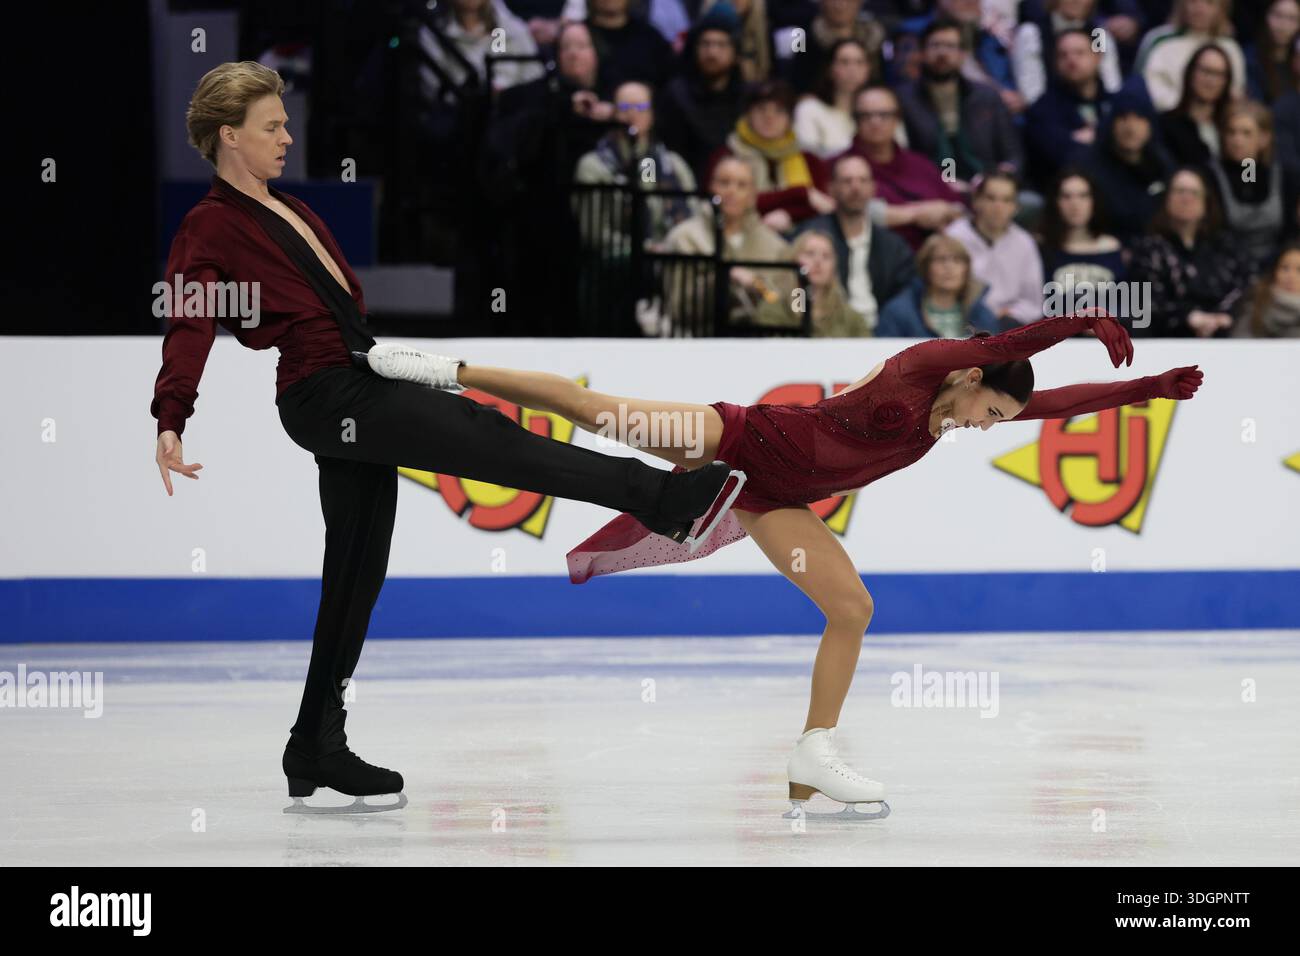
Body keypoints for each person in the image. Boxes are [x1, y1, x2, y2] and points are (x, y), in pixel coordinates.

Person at [153, 61, 741, 813]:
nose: (287, 136)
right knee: (483, 435)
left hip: (354, 380)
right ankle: (660, 496)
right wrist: (172, 416)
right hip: (324, 392)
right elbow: (190, 319)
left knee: (358, 568)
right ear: (228, 136)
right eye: (272, 126)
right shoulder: (210, 226)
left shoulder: (287, 207)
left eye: (285, 123)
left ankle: (314, 741)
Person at [371, 312, 1203, 817]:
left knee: (852, 608)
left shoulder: (953, 414)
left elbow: (1050, 401)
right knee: (592, 412)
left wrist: (1149, 388)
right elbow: (1009, 341)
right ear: (970, 376)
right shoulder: (924, 366)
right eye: (986, 410)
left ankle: (813, 753)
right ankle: (446, 369)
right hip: (737, 438)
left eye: (996, 421)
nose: (985, 426)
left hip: (775, 501)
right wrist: (1080, 321)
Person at [661, 156, 799, 329]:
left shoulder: (776, 246)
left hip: (761, 344)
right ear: (711, 188)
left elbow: (792, 305)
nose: (731, 191)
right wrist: (722, 280)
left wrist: (757, 285)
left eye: (741, 185)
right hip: (698, 341)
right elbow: (676, 307)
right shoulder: (684, 238)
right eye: (724, 183)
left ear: (752, 195)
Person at [896, 17, 1025, 190]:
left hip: (985, 187)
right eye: (935, 45)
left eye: (950, 46)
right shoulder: (903, 99)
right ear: (922, 53)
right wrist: (946, 182)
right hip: (927, 186)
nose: (942, 53)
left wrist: (1004, 173)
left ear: (963, 54)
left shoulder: (986, 97)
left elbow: (1013, 154)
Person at [793, 153, 917, 331]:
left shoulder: (894, 246)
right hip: (830, 332)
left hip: (883, 333)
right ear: (831, 188)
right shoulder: (811, 236)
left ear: (873, 188)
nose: (856, 187)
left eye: (863, 180)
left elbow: (906, 296)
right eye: (847, 181)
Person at [1127, 165, 1253, 335]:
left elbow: (1246, 285)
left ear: (1206, 202)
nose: (1186, 198)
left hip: (1224, 334)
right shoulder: (1148, 249)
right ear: (1167, 199)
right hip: (1166, 338)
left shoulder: (1226, 245)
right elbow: (1145, 300)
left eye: (1194, 193)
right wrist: (1188, 316)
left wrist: (1224, 315)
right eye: (1179, 191)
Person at [840, 84, 966, 249]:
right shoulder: (839, 167)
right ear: (855, 120)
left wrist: (946, 211)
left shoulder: (921, 164)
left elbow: (958, 206)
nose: (875, 122)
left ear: (897, 119)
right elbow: (847, 211)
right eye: (866, 115)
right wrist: (917, 214)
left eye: (884, 115)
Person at [705, 78, 834, 230]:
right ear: (748, 113)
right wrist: (802, 193)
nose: (769, 117)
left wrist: (788, 214)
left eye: (779, 110)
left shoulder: (809, 160)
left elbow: (825, 207)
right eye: (761, 109)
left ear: (790, 118)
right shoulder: (727, 156)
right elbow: (728, 201)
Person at [656, 3, 748, 177]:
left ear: (736, 54)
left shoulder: (747, 97)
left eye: (721, 45)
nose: (712, 53)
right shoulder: (676, 95)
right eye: (705, 44)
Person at [1207, 99, 1299, 270]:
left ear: (1264, 138)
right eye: (1231, 132)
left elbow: (1290, 231)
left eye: (1246, 133)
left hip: (1276, 267)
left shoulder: (1286, 176)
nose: (1237, 140)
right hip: (1225, 266)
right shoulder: (1210, 176)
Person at [945, 172, 1046, 325]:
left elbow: (1033, 302)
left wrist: (1011, 313)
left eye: (1006, 200)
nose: (998, 207)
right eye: (991, 198)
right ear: (976, 201)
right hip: (960, 322)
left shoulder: (1024, 242)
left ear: (1015, 207)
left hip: (1009, 326)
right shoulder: (954, 236)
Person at [1023, 28, 1115, 190]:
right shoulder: (1042, 110)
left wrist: (1091, 138)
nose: (1071, 60)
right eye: (1063, 55)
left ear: (1098, 57)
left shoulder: (1115, 103)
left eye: (1079, 53)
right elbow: (1060, 155)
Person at [1082, 87, 1174, 240]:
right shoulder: (1090, 167)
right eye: (1123, 117)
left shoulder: (1163, 163)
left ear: (1150, 125)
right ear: (1111, 123)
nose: (1131, 127)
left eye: (1139, 118)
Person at [876, 233, 1000, 336]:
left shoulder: (982, 314)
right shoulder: (898, 312)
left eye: (957, 260)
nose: (949, 267)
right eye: (941, 259)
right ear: (925, 267)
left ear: (966, 269)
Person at [1138, 0, 1246, 111]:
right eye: (1193, 1)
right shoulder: (1160, 41)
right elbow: (1145, 88)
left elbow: (1234, 93)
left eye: (1209, 3)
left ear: (1221, 9)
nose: (1199, 8)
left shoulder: (1230, 48)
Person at [1012, 0, 1123, 105]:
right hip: (1049, 116)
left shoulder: (1099, 34)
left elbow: (1112, 86)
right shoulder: (1032, 33)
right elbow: (1032, 94)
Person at [1038, 168, 1127, 288]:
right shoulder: (1040, 247)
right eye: (1066, 196)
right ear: (1055, 202)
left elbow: (1125, 300)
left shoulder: (1111, 247)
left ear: (1094, 201)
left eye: (1083, 196)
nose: (1075, 204)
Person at [1156, 42, 1235, 165]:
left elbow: (1250, 166)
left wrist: (1248, 180)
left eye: (1219, 74)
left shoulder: (1234, 128)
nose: (1211, 80)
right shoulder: (1166, 125)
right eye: (1206, 71)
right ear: (1191, 72)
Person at [794, 38, 873, 157]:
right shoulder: (809, 109)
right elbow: (809, 160)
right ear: (830, 68)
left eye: (859, 62)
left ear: (868, 69)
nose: (852, 69)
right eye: (844, 62)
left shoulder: (881, 109)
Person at [790, 230, 871, 335]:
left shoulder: (852, 319)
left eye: (826, 256)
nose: (818, 261)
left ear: (834, 268)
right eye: (810, 253)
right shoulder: (776, 309)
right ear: (793, 260)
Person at [1234, 241, 1300, 335]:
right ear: (1274, 271)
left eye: (1299, 270)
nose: (1290, 276)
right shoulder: (1257, 302)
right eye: (1285, 268)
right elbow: (1240, 342)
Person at [1244, 0, 1300, 102]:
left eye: (1292, 19)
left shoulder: (1296, 61)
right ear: (1267, 16)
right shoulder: (1250, 57)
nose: (1283, 25)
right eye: (1278, 15)